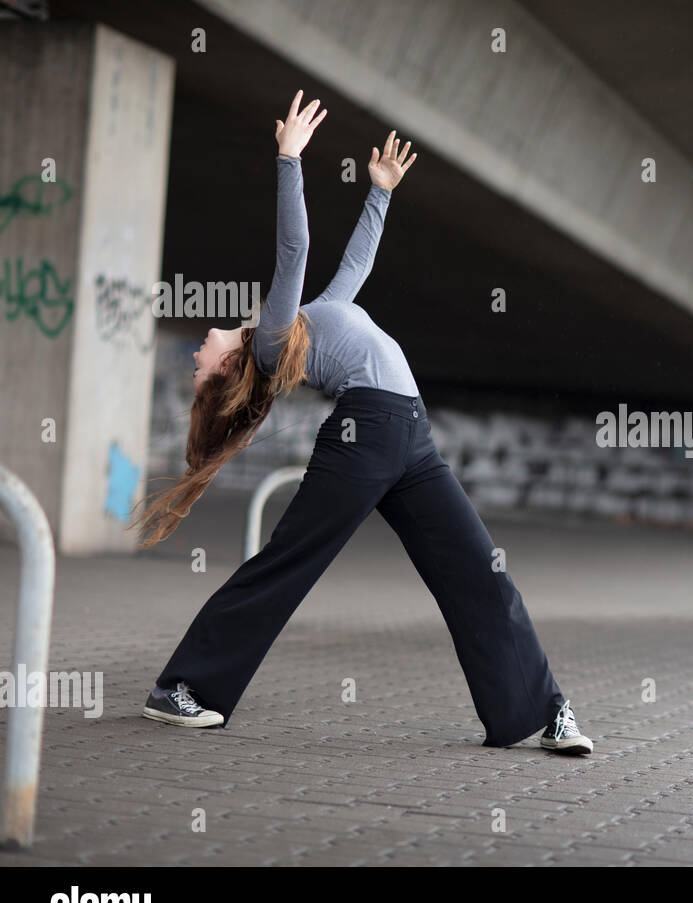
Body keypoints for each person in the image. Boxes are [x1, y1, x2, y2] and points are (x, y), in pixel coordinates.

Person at [131, 91, 591, 755]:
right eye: (200, 361)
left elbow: (353, 270)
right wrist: (288, 160)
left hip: (411, 437)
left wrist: (380, 193)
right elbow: (295, 247)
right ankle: (187, 689)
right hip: (367, 432)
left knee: (477, 569)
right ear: (225, 371)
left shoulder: (307, 321)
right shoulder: (270, 340)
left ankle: (540, 712)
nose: (201, 344)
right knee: (290, 559)